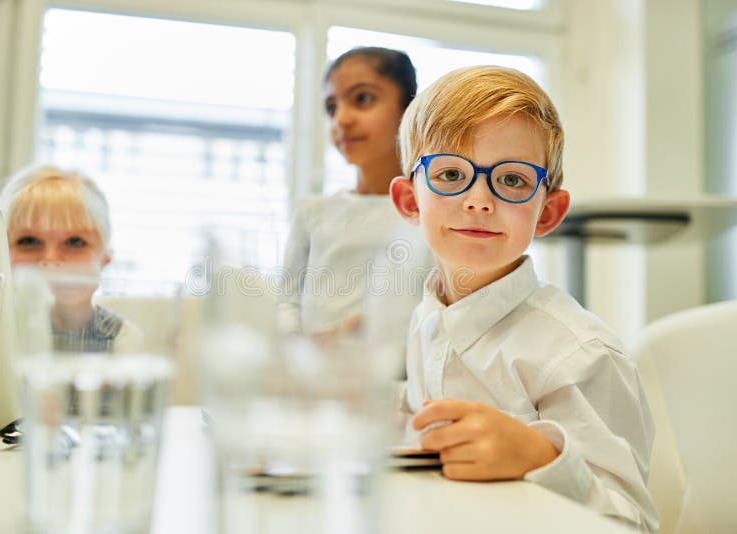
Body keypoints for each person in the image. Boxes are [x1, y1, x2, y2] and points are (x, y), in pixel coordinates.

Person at [389, 66, 658, 532]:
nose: (478, 200)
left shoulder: (581, 355)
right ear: (410, 201)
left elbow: (631, 521)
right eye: (451, 173)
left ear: (548, 211)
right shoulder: (427, 316)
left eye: (512, 180)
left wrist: (542, 456)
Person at [277, 46, 429, 341]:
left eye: (363, 99)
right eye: (332, 107)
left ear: (408, 109)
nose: (342, 119)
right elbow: (287, 303)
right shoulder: (312, 212)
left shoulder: (433, 214)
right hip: (312, 378)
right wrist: (300, 350)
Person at [0, 164, 142, 353]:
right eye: (29, 241)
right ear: (0, 254)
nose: (50, 260)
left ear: (104, 260)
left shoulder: (121, 338)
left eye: (75, 242)